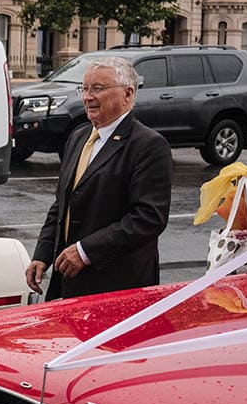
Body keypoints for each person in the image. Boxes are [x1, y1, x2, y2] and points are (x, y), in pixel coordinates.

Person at [26, 56, 171, 300]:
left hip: (117, 286)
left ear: (128, 94)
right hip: (70, 281)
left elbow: (148, 218)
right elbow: (62, 204)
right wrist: (43, 254)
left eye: (98, 88)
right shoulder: (79, 137)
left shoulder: (149, 145)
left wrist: (85, 251)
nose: (87, 97)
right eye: (84, 88)